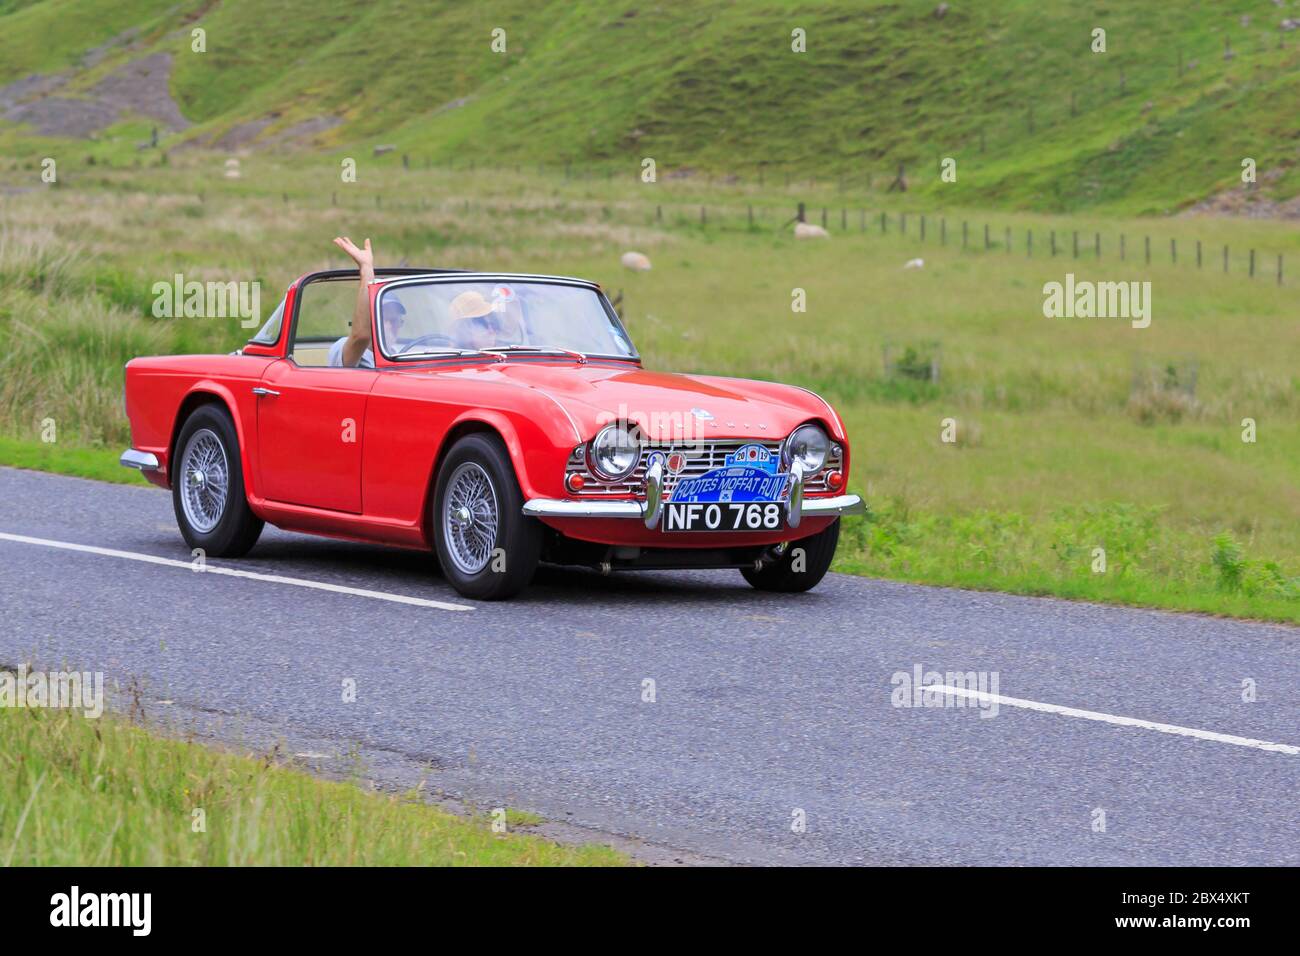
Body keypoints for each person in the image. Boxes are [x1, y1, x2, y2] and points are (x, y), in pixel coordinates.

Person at [328, 235, 408, 368]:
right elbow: (360, 336)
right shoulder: (344, 348)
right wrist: (366, 269)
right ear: (368, 321)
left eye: (394, 321)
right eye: (383, 320)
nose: (389, 327)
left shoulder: (399, 354)